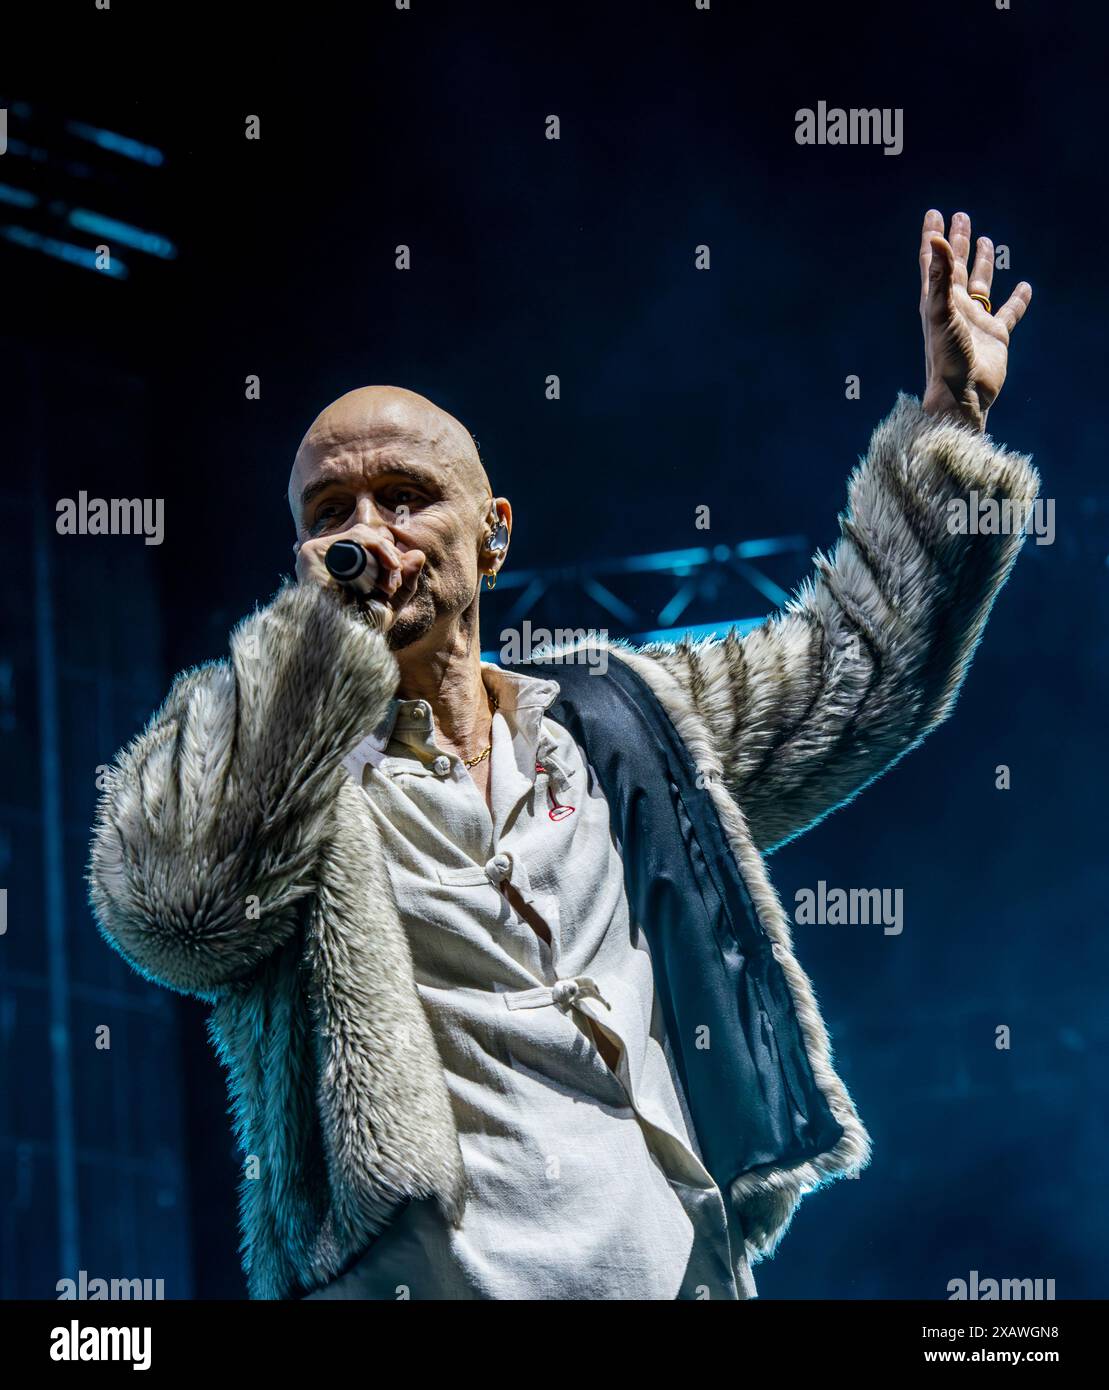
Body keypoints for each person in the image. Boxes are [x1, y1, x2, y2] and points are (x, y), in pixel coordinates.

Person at [88, 209, 1038, 1300]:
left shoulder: (618, 720)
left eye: (403, 497)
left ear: (491, 533)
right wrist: (312, 645)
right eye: (331, 511)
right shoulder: (279, 772)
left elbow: (859, 678)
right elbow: (170, 909)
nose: (368, 531)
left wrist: (951, 416)